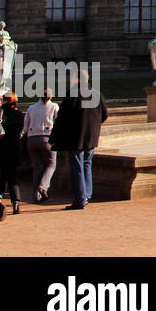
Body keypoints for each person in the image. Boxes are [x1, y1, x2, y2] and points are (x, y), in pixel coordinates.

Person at [49, 70, 108, 210]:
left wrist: (53, 138)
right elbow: (105, 115)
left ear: (77, 80)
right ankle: (87, 195)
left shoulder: (72, 95)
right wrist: (93, 127)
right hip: (91, 136)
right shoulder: (97, 94)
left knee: (77, 166)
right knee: (87, 164)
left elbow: (62, 119)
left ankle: (80, 199)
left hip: (76, 137)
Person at [24, 87, 58, 203]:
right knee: (51, 165)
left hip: (32, 140)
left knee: (37, 167)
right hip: (47, 138)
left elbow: (25, 127)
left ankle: (35, 196)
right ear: (51, 96)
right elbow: (58, 124)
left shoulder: (31, 108)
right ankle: (43, 187)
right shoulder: (54, 106)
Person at [0, 94, 23, 214]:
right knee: (13, 178)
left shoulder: (1, 113)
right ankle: (16, 203)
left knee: (2, 176)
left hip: (2, 147)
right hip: (15, 148)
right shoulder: (19, 114)